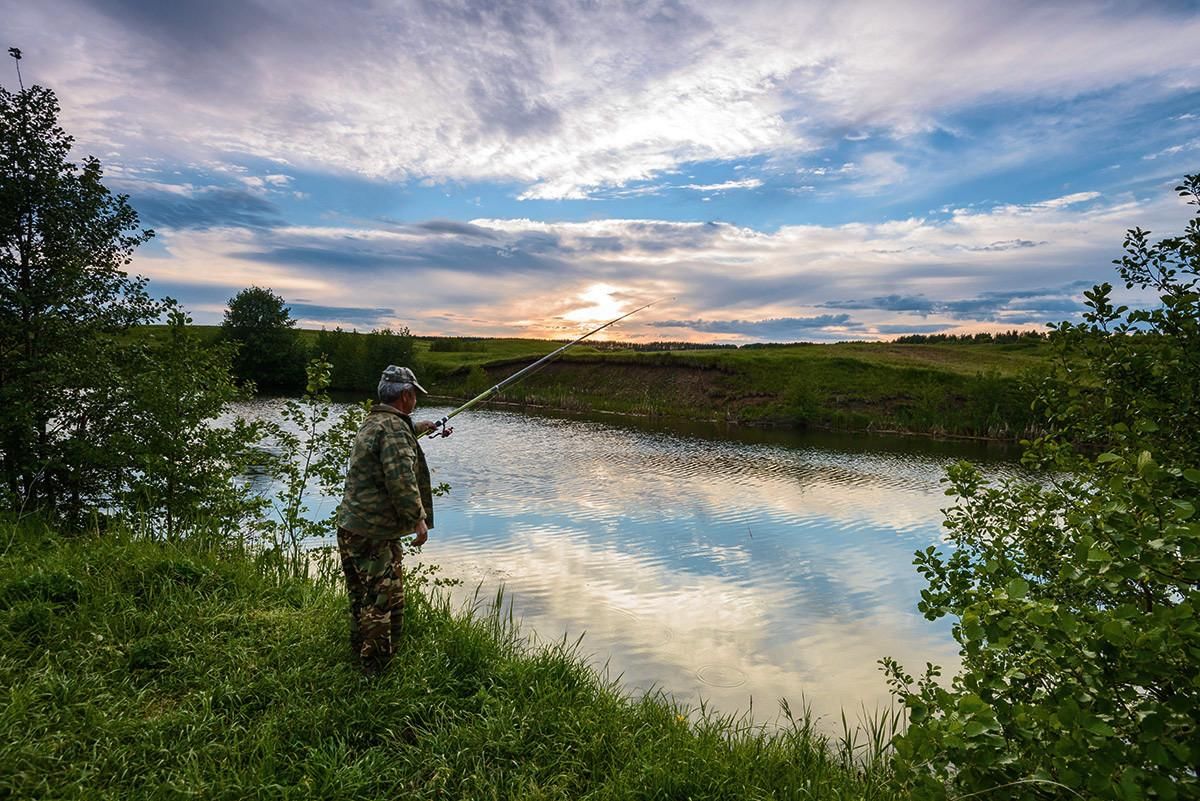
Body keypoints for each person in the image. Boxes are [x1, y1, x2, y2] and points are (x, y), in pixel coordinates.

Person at [335, 364, 446, 673]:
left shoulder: (374, 422)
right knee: (385, 602)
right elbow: (400, 480)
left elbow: (400, 433)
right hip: (375, 534)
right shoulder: (394, 430)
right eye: (415, 395)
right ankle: (376, 671)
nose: (416, 400)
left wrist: (425, 426)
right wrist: (418, 519)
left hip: (352, 526)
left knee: (362, 597)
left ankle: (360, 652)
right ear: (406, 395)